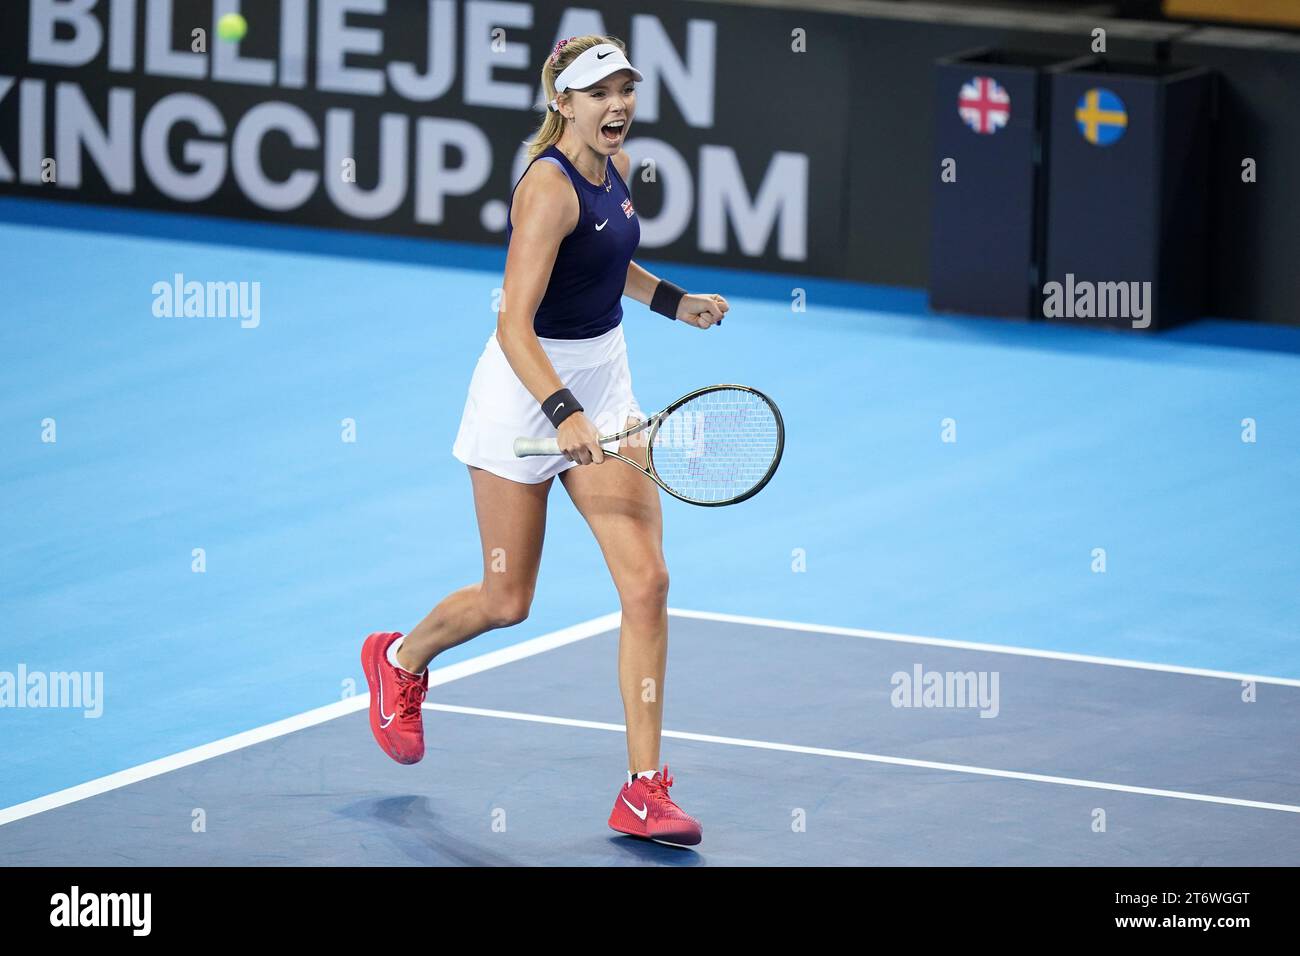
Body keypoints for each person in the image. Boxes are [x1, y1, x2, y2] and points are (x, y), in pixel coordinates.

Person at [361, 35, 729, 848]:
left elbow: (611, 262)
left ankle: (642, 790)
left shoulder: (615, 172)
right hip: (526, 396)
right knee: (506, 601)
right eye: (599, 92)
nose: (618, 105)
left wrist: (674, 301)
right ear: (562, 102)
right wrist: (562, 412)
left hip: (604, 383)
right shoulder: (547, 191)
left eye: (625, 89)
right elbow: (513, 321)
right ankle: (402, 660)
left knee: (648, 582)